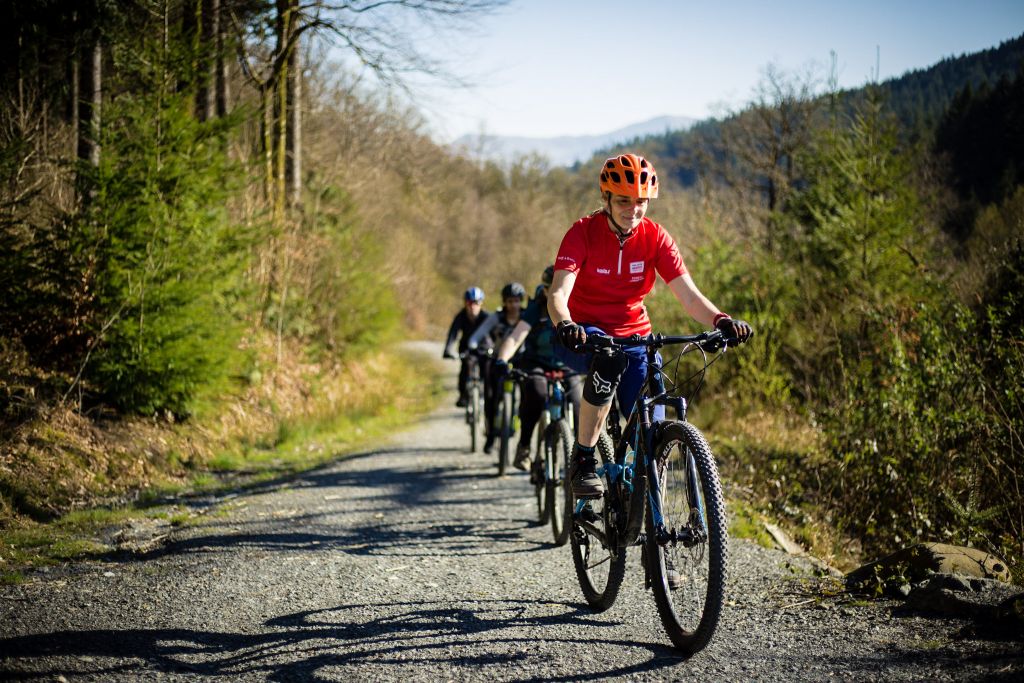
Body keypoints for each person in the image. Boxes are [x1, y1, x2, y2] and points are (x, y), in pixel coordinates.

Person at [547, 153, 753, 498]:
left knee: (652, 415)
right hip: (584, 334)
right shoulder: (582, 232)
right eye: (624, 200)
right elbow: (558, 292)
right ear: (606, 199)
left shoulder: (655, 237)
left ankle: (645, 488)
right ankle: (583, 458)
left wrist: (721, 320)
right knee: (608, 360)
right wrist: (566, 324)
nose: (633, 209)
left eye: (641, 201)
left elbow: (688, 295)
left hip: (635, 336)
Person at [494, 266, 583, 475]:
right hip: (536, 363)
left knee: (580, 404)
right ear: (543, 290)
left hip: (567, 364)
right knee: (536, 391)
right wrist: (502, 359)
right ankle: (524, 446)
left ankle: (581, 458)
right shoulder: (536, 309)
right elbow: (516, 336)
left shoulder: (576, 305)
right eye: (550, 287)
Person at [466, 282, 527, 453]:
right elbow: (478, 334)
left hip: (522, 361)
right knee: (491, 398)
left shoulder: (526, 317)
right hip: (498, 361)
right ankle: (491, 435)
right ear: (504, 302)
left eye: (516, 301)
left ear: (520, 301)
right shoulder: (496, 317)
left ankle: (519, 431)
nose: (513, 305)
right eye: (509, 301)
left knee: (527, 396)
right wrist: (473, 344)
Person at [442, 287, 492, 408]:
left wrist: (496, 349)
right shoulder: (461, 316)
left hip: (484, 348)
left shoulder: (487, 317)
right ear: (465, 303)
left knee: (488, 370)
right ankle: (463, 395)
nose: (472, 306)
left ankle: (490, 397)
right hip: (466, 349)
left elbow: (496, 333)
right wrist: (448, 350)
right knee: (466, 368)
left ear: (481, 303)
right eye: (470, 303)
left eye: (476, 303)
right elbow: (453, 334)